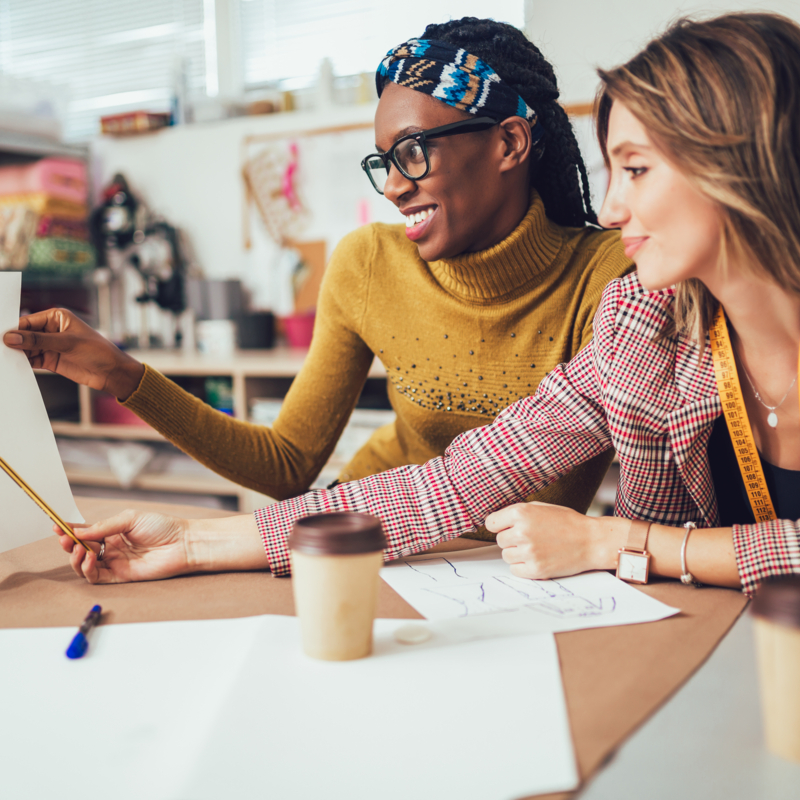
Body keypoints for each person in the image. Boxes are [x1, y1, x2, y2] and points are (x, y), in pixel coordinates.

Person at [54, 12, 800, 596]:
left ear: (739, 159)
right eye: (613, 170)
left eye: (637, 169)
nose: (611, 207)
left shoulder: (608, 282)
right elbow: (447, 483)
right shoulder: (646, 324)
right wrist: (193, 542)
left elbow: (639, 540)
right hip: (693, 640)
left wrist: (625, 543)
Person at [4, 18, 630, 533]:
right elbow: (287, 463)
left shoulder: (613, 281)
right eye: (383, 161)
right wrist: (121, 374)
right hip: (362, 533)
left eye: (414, 151)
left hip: (513, 569)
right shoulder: (368, 264)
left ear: (510, 143)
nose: (391, 187)